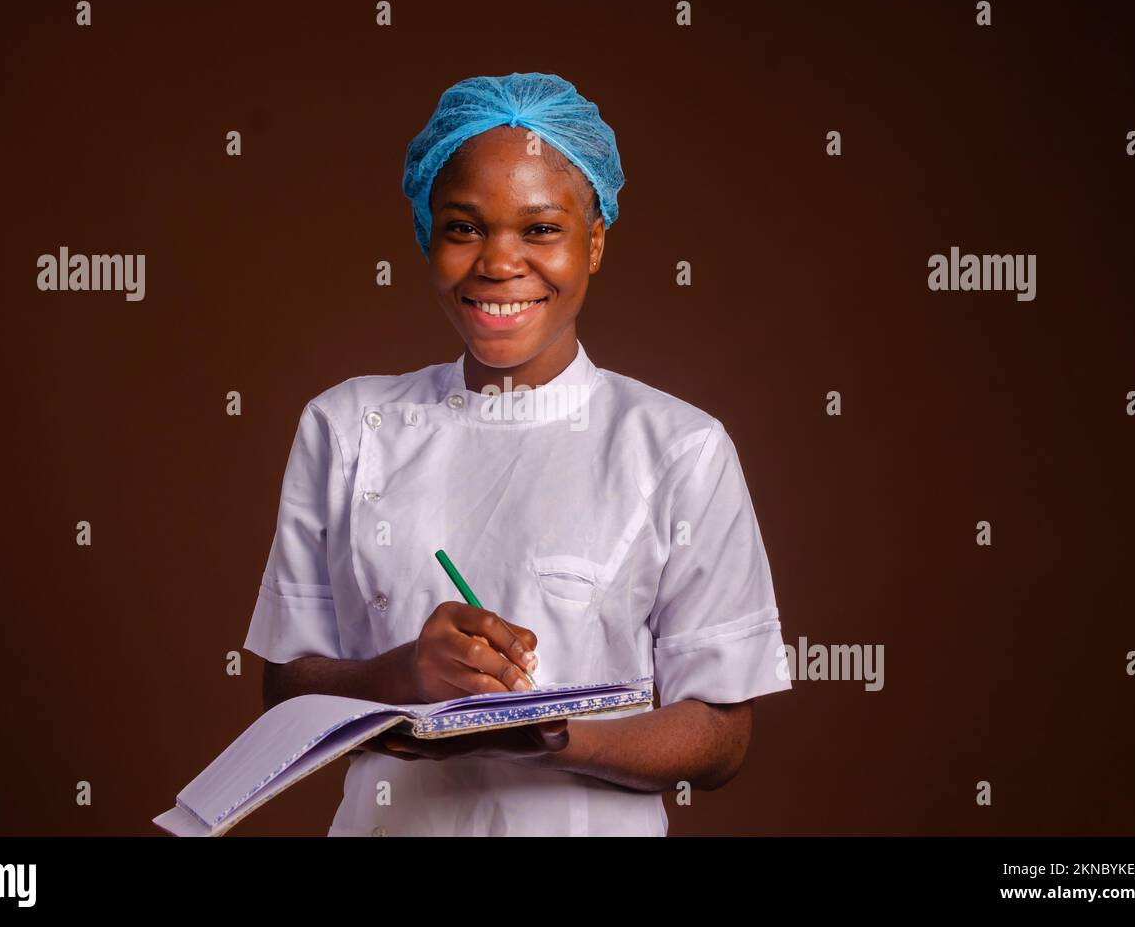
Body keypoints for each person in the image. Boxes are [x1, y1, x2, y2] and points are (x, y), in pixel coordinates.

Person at [243, 71, 791, 836]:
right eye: (464, 227)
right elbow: (286, 685)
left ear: (594, 241)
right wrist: (404, 674)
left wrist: (546, 737)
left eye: (540, 229)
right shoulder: (347, 426)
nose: (500, 264)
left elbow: (723, 734)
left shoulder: (679, 448)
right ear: (425, 237)